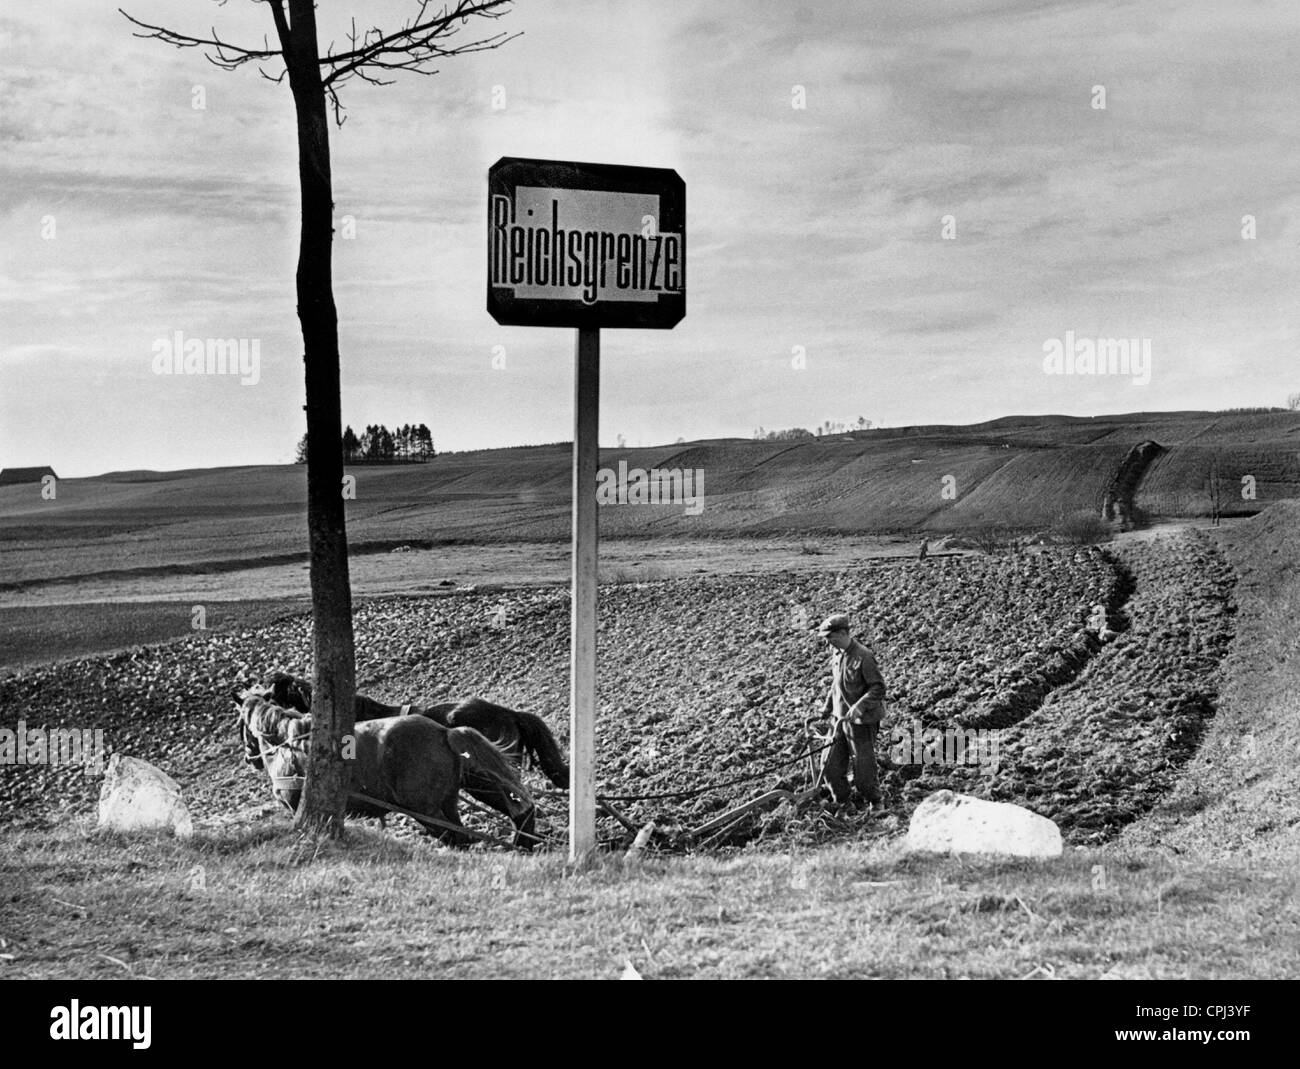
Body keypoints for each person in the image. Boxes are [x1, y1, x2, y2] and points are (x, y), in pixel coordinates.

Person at [815, 613, 886, 812]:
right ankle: (844, 803)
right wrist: (827, 708)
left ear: (844, 633)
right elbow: (835, 686)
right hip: (839, 719)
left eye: (831, 637)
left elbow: (878, 688)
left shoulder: (864, 656)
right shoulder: (837, 656)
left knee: (863, 769)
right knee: (829, 766)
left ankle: (875, 802)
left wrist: (859, 707)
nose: (828, 643)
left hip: (862, 721)